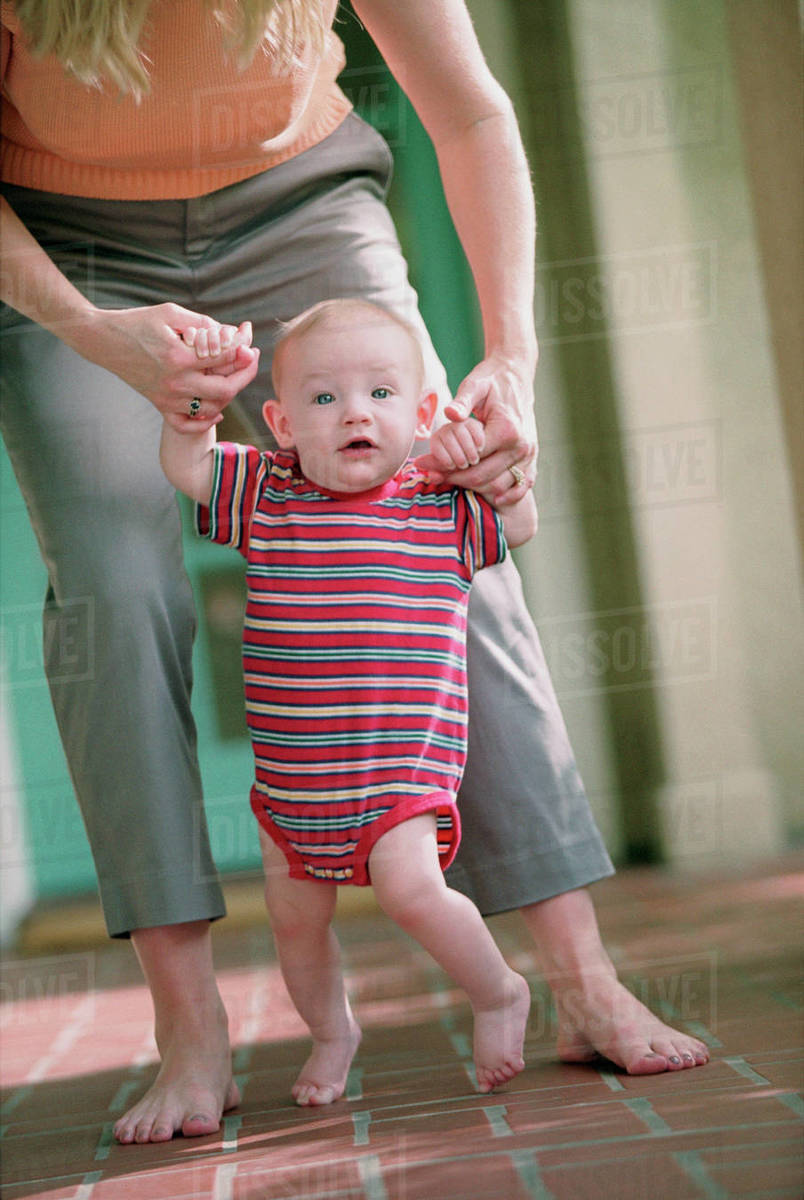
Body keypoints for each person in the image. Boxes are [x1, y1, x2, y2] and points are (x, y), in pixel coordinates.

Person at [0, 0, 708, 1146]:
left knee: (447, 528)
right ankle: (191, 1030)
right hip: (67, 246)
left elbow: (473, 111)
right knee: (112, 576)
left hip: (302, 203)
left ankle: (581, 980)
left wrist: (514, 358)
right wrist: (90, 329)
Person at [162, 297, 537, 1103]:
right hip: (294, 785)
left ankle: (499, 989)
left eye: (380, 393)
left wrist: (489, 464)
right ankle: (333, 1032)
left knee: (410, 890)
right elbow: (190, 468)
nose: (353, 413)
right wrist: (196, 411)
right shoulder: (267, 492)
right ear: (284, 422)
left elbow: (524, 522)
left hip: (401, 774)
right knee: (296, 925)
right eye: (324, 398)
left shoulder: (438, 505)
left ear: (425, 411)